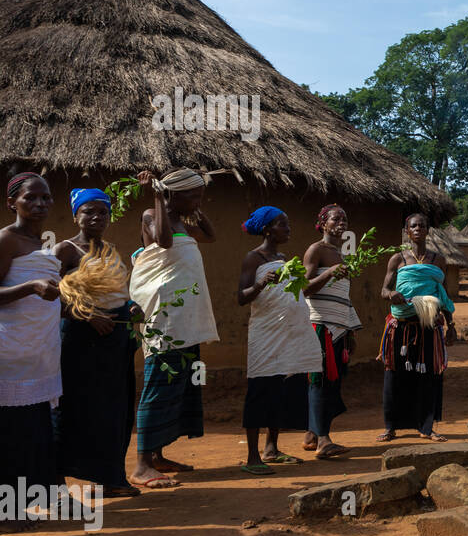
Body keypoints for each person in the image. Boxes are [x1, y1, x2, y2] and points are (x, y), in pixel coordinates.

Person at [127, 168, 218, 488]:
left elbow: (211, 236)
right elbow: (163, 243)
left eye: (201, 195)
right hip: (164, 318)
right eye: (193, 195)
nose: (199, 200)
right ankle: (140, 466)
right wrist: (157, 195)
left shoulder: (184, 223)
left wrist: (196, 210)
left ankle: (157, 456)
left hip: (185, 318)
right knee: (158, 386)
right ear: (173, 195)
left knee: (178, 385)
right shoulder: (153, 216)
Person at [237, 207, 338, 473]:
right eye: (283, 224)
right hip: (266, 335)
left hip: (288, 336)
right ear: (268, 229)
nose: (289, 229)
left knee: (280, 392)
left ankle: (271, 448)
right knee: (260, 391)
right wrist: (261, 284)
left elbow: (302, 290)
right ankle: (252, 457)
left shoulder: (284, 259)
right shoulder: (253, 258)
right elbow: (241, 297)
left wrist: (328, 275)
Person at [52, 187, 139, 497]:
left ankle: (110, 479)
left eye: (102, 212)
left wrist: (131, 307)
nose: (96, 217)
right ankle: (58, 483)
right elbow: (50, 298)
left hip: (113, 340)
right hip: (79, 342)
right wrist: (86, 318)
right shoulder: (65, 251)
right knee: (73, 408)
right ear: (76, 215)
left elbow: (118, 293)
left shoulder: (111, 250)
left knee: (113, 410)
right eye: (89, 211)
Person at [0, 172, 63, 527]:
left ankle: (16, 508)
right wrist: (31, 286)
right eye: (30, 198)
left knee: (29, 436)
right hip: (9, 356)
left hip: (38, 356)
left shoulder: (42, 243)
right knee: (9, 436)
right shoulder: (6, 240)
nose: (40, 204)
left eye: (45, 198)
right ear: (13, 203)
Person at [379, 212, 457, 439]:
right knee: (395, 376)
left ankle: (426, 427)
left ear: (428, 230)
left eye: (422, 226)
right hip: (401, 326)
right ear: (407, 230)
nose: (418, 229)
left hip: (428, 327)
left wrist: (451, 324)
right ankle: (390, 426)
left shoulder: (438, 260)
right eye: (413, 226)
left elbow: (443, 294)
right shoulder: (398, 259)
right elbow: (383, 290)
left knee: (428, 377)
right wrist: (391, 294)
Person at [303, 204, 361, 458]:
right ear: (323, 223)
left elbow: (343, 296)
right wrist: (330, 273)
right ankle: (324, 441)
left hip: (338, 328)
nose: (342, 222)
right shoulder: (317, 250)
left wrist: (350, 328)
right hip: (320, 326)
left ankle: (312, 434)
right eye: (336, 218)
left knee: (330, 382)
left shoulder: (342, 254)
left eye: (345, 218)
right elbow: (303, 288)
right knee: (321, 382)